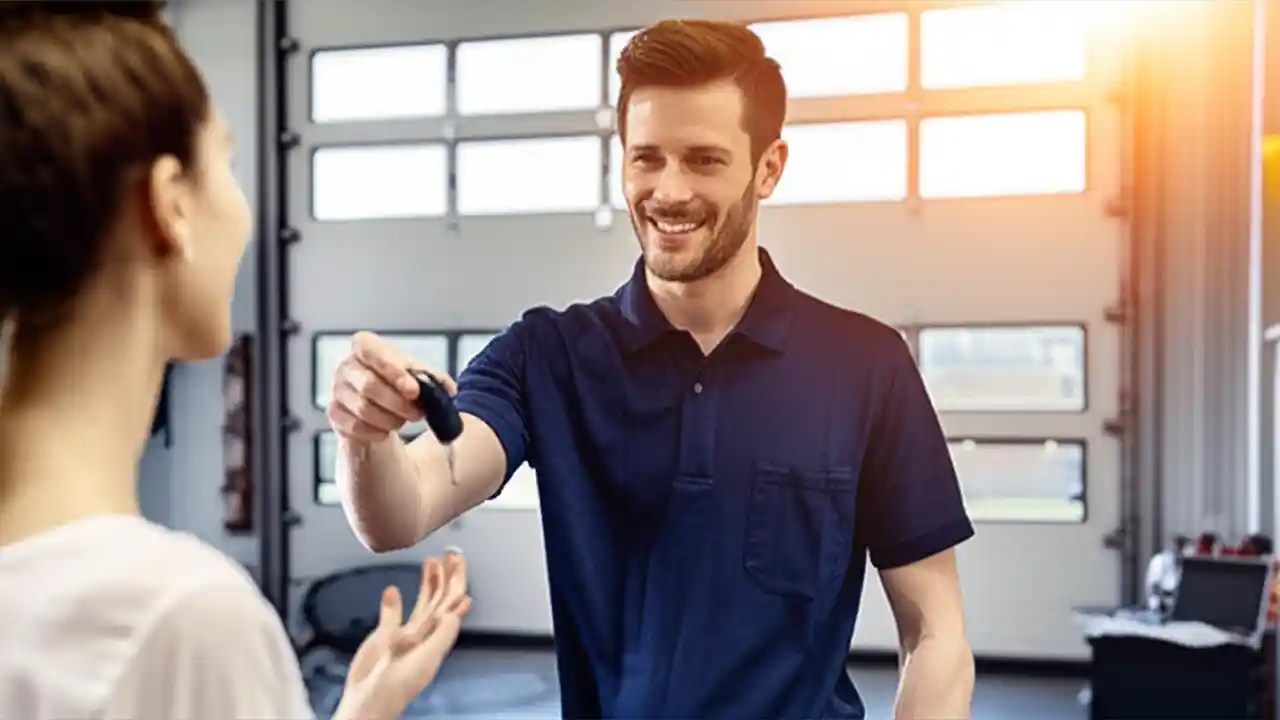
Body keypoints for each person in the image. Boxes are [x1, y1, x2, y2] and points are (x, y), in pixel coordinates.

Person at [330, 18, 975, 720]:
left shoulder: (865, 366)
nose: (668, 191)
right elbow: (404, 510)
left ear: (769, 167)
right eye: (647, 158)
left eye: (703, 159)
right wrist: (365, 437)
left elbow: (934, 633)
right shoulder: (547, 355)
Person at [0, 3, 470, 719]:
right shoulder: (179, 620)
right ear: (170, 205)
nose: (241, 205)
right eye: (224, 159)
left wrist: (359, 707)